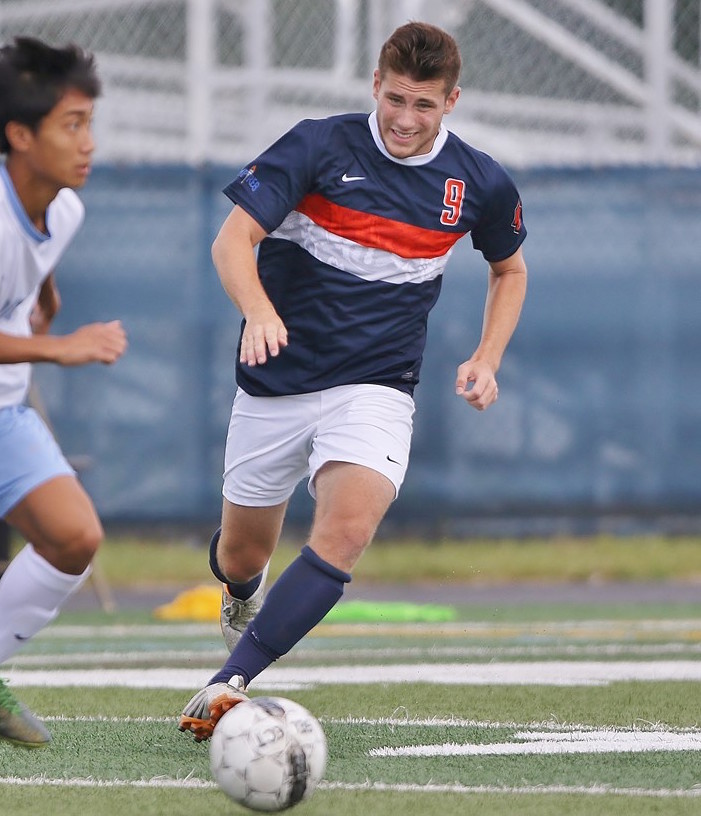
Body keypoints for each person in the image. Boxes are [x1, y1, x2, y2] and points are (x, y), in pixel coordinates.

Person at [179, 21, 527, 741]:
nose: (404, 119)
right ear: (375, 84)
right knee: (243, 554)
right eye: (395, 98)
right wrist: (257, 310)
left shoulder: (477, 182)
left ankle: (227, 683)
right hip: (276, 381)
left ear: (451, 101)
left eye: (423, 105)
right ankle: (240, 592)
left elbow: (509, 269)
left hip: (376, 383)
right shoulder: (317, 144)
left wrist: (486, 356)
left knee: (345, 532)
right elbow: (232, 240)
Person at [0, 36, 127, 747]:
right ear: (20, 135)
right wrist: (59, 344)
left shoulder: (66, 208)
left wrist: (44, 295)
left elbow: (38, 251)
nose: (88, 142)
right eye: (71, 124)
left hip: (3, 409)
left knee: (74, 536)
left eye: (89, 122)